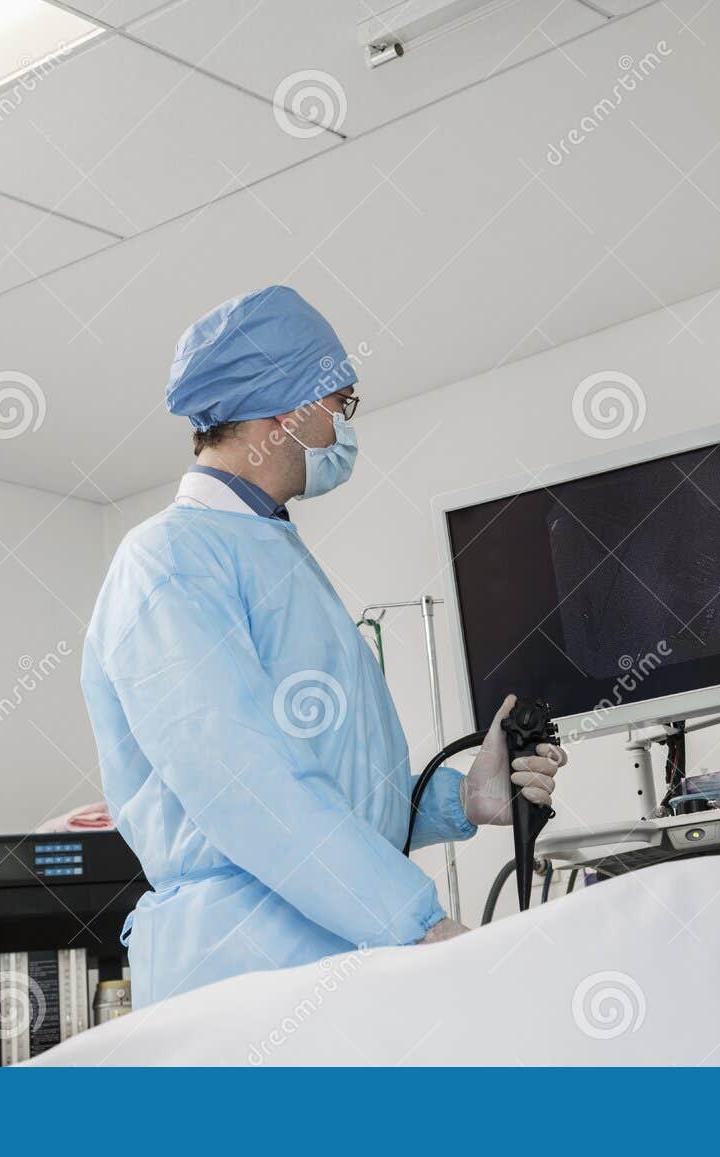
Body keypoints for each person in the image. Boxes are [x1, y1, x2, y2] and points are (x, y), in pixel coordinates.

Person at [82, 286, 567, 1006]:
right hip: (246, 968)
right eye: (341, 403)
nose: (345, 425)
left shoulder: (268, 549)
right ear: (286, 409)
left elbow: (339, 787)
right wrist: (415, 920)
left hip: (330, 954)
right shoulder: (168, 560)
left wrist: (462, 796)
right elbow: (244, 782)